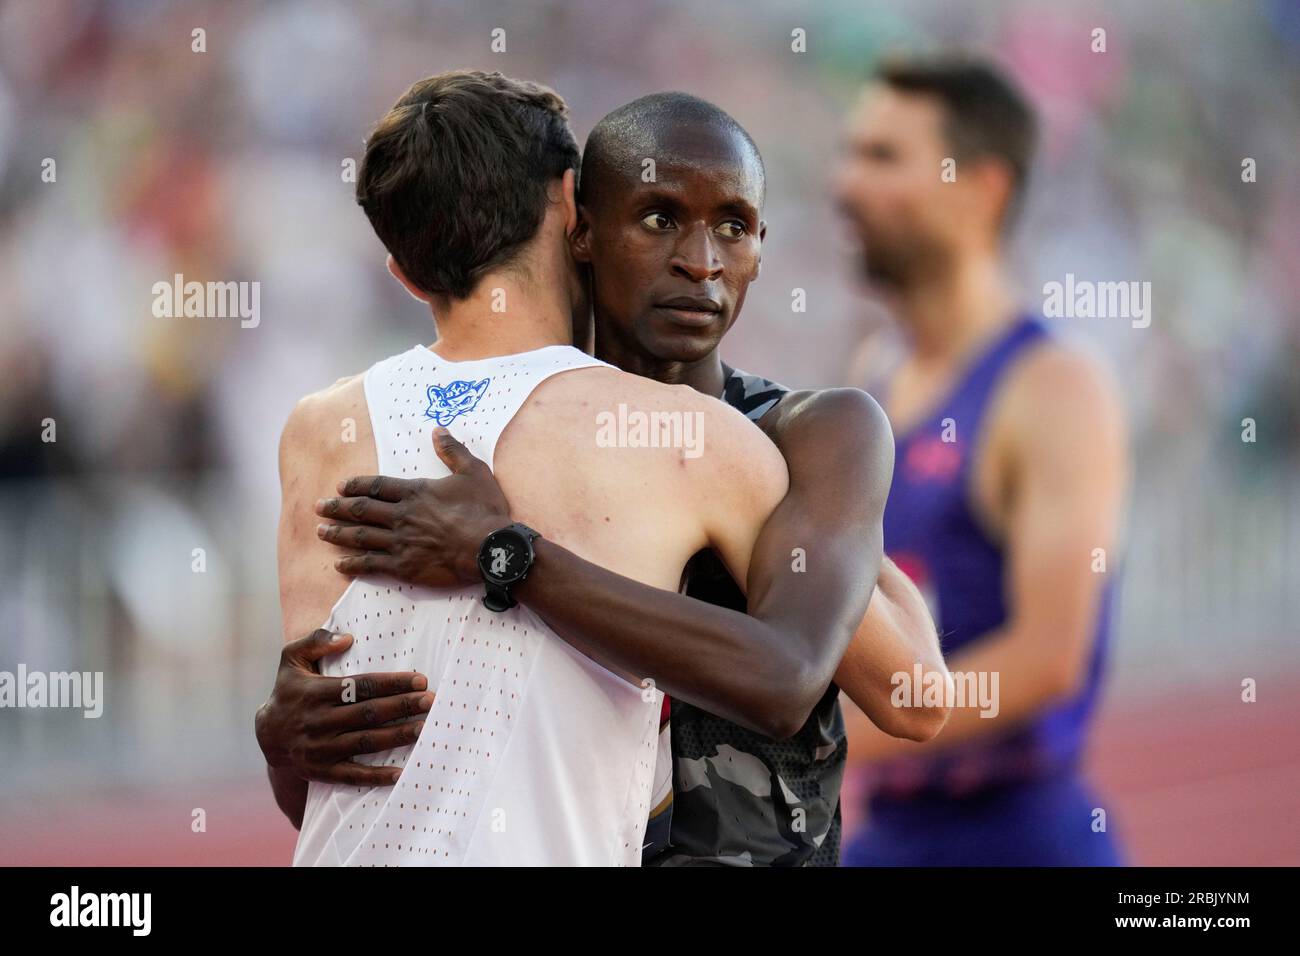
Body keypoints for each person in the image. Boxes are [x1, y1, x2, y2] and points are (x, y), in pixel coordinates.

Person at [258, 91, 948, 867]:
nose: (700, 261)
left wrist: (506, 554)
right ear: (577, 225)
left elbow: (907, 698)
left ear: (762, 246)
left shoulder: (792, 437)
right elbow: (348, 783)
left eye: (733, 226)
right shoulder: (539, 425)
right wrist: (282, 740)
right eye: (658, 219)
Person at [833, 56, 1128, 865]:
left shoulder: (1054, 387)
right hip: (892, 831)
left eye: (883, 157)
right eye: (852, 153)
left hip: (1018, 839)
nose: (846, 184)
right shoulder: (875, 375)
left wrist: (822, 738)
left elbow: (1047, 658)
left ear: (982, 188)